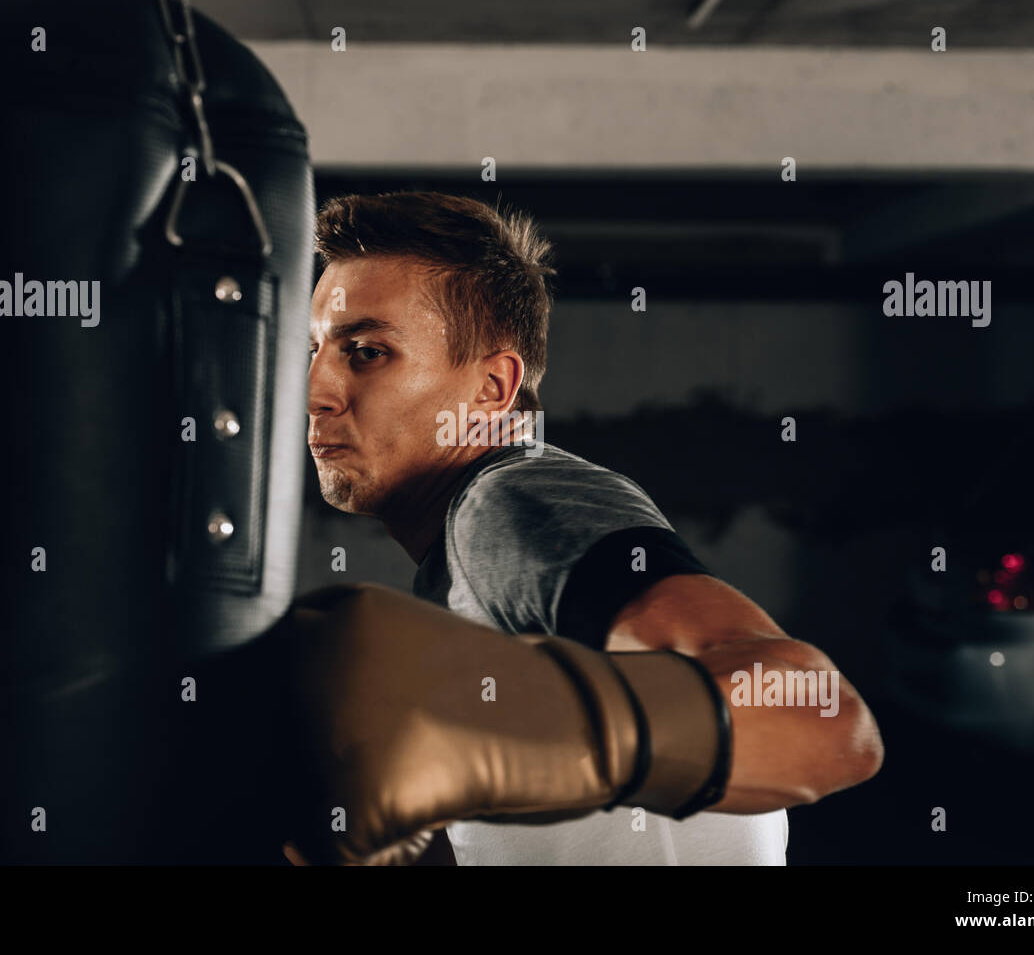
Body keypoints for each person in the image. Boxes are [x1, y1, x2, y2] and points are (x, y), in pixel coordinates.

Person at [307, 190, 883, 865]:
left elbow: (821, 714)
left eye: (367, 351)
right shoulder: (464, 562)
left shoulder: (506, 502)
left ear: (492, 388)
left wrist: (529, 748)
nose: (317, 389)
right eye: (315, 350)